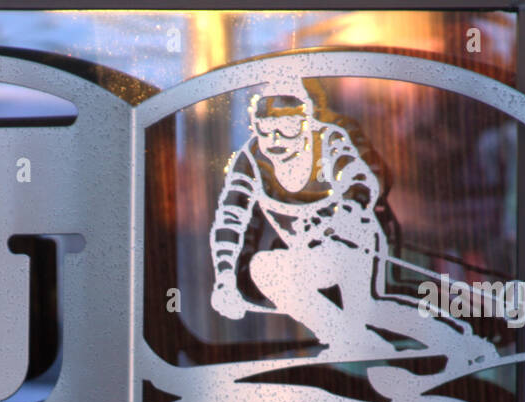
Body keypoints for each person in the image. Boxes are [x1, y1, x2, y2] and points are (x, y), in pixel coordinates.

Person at [210, 79, 496, 367]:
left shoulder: (328, 141)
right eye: (266, 131)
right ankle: (351, 339)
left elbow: (359, 179)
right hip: (308, 252)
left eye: (287, 129)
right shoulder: (251, 160)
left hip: (350, 239)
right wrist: (224, 279)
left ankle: (462, 345)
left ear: (305, 122)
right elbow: (231, 217)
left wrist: (344, 212)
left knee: (370, 310)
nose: (276, 142)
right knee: (266, 268)